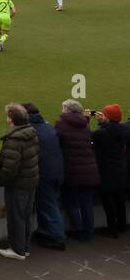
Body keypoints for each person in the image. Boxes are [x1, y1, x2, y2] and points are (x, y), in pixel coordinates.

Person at [0, 103, 40, 260]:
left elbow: (10, 168)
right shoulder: (31, 133)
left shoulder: (14, 139)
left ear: (12, 119)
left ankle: (17, 249)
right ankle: (24, 247)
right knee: (26, 216)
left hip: (18, 184)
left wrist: (0, 180)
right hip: (30, 181)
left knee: (16, 217)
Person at [24, 103, 67, 250]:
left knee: (48, 206)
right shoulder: (47, 127)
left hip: (45, 173)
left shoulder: (31, 130)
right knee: (48, 205)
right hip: (57, 171)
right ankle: (46, 233)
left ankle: (58, 238)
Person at [55, 100, 99, 241]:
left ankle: (79, 230)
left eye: (63, 108)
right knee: (86, 202)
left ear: (67, 109)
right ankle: (88, 230)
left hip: (72, 168)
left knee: (72, 201)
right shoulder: (85, 124)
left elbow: (58, 142)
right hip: (89, 168)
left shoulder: (61, 124)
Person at [91, 105, 127, 238]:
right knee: (119, 199)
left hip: (106, 170)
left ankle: (112, 229)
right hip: (120, 169)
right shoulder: (123, 129)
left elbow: (89, 135)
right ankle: (122, 226)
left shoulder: (103, 132)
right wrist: (103, 121)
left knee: (108, 201)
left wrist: (91, 120)